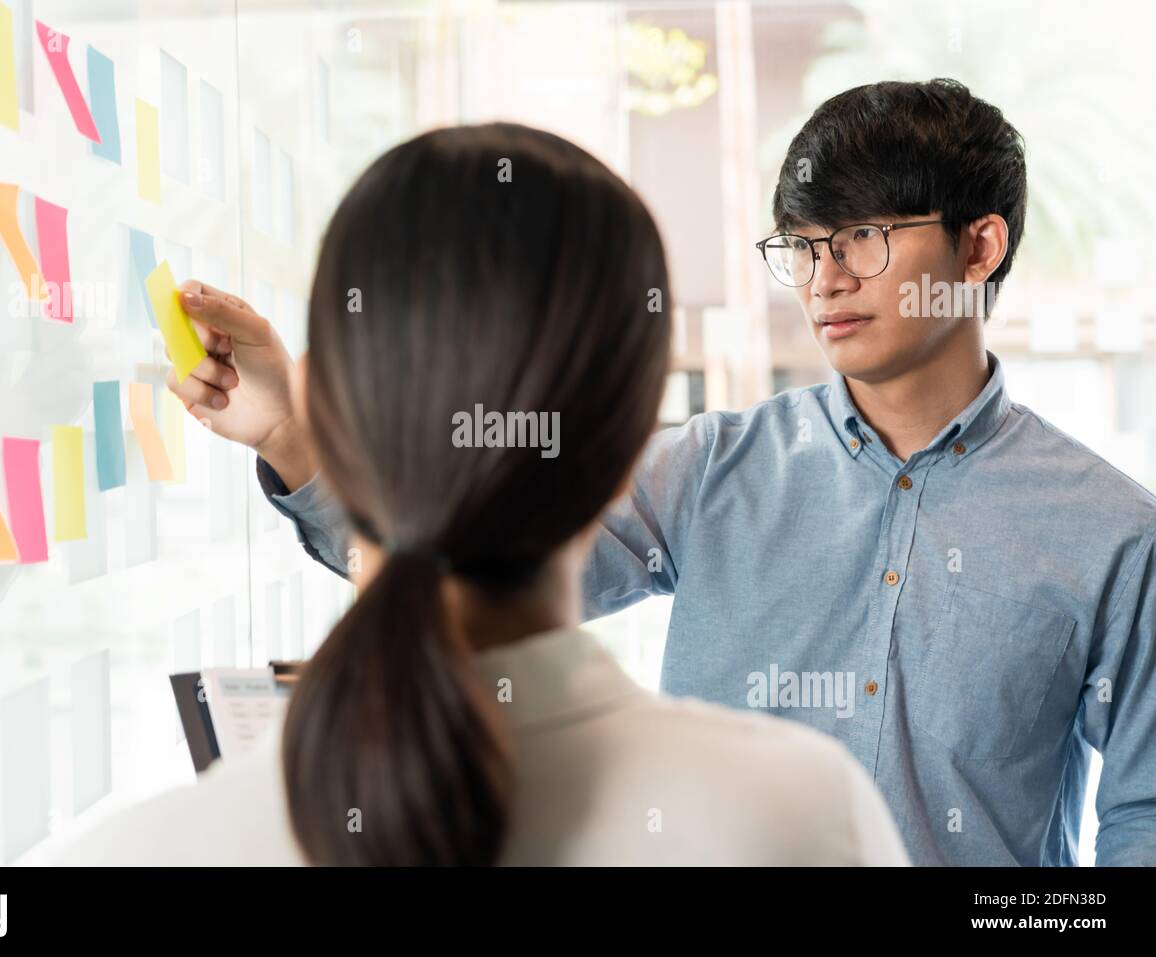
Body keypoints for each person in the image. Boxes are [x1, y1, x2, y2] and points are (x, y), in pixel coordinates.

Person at [184, 80, 1156, 867]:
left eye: (861, 238)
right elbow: (456, 561)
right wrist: (288, 440)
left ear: (977, 246)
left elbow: (1142, 817)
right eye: (803, 247)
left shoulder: (1110, 533)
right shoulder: (706, 467)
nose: (824, 280)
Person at [52, 122, 908, 866]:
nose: (826, 277)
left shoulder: (137, 853)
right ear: (628, 456)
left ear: (338, 421)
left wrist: (290, 436)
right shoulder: (799, 820)